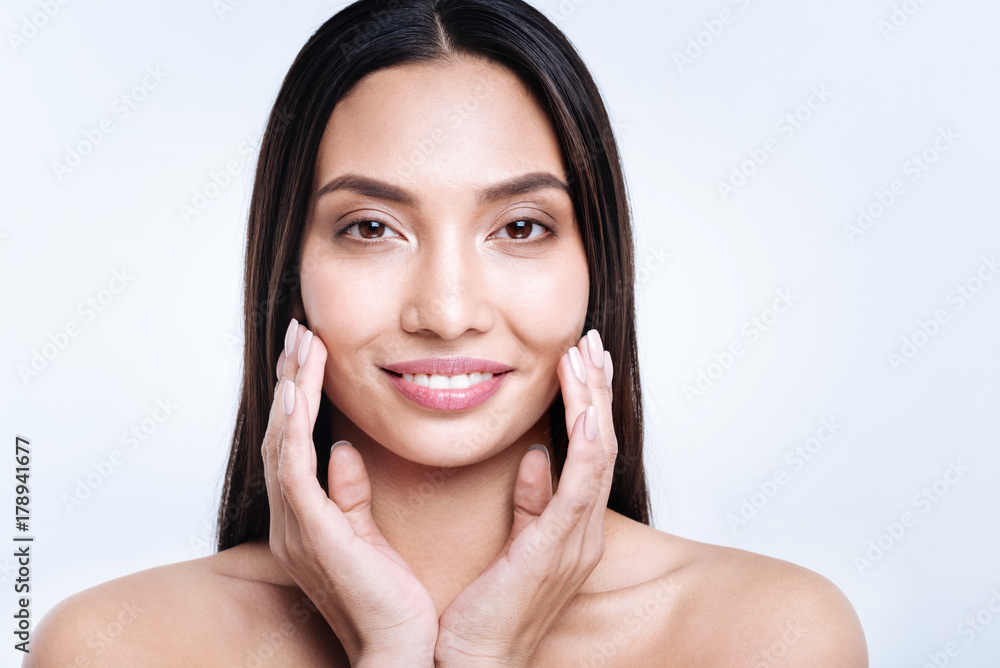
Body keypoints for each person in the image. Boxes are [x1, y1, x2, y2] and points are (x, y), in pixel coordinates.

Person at [25, 0, 868, 665]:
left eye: (521, 227)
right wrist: (394, 654)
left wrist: (481, 657)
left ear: (596, 267)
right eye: (370, 228)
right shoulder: (114, 647)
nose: (448, 309)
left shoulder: (767, 638)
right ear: (289, 271)